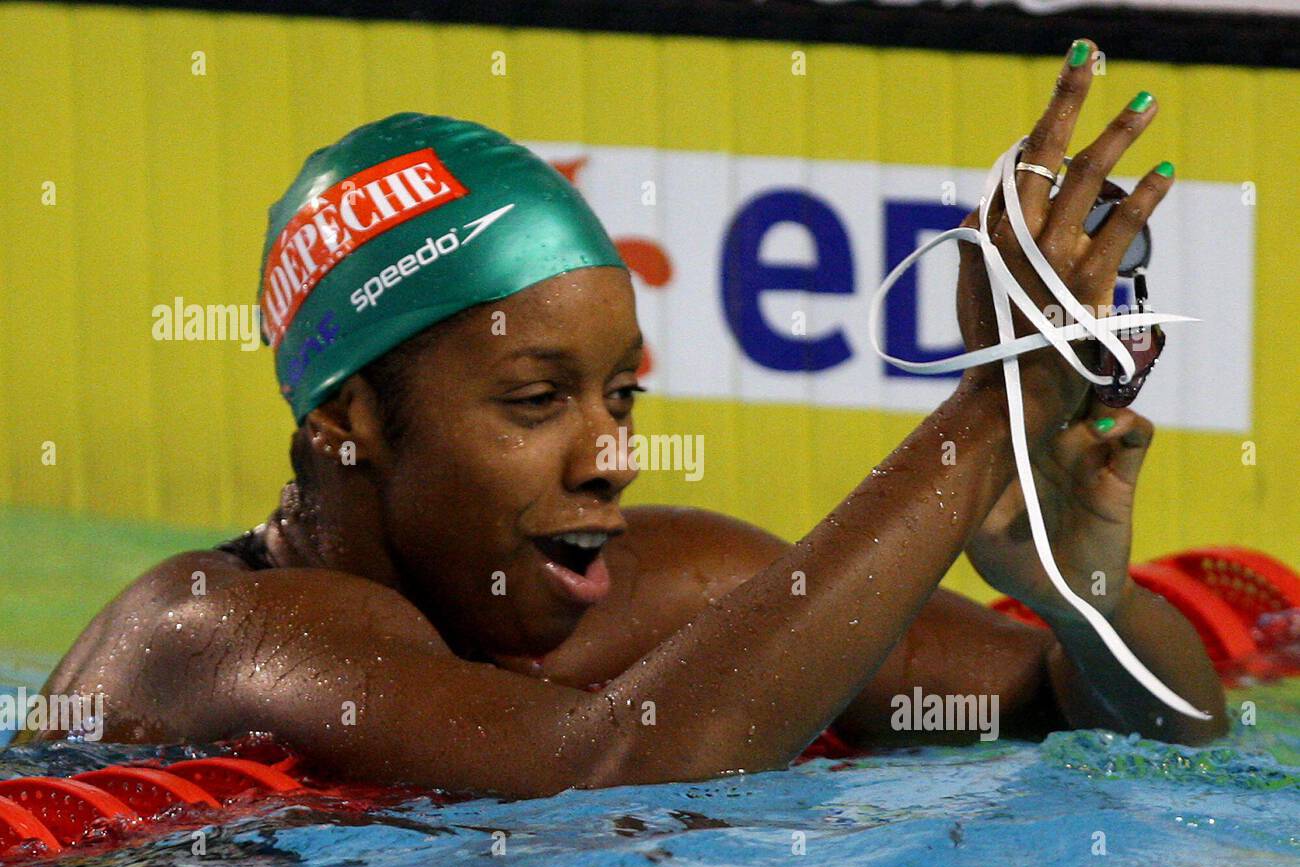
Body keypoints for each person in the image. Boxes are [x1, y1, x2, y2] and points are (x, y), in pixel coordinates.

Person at [32, 39, 1225, 797]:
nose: (612, 457)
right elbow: (608, 772)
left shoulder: (674, 588)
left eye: (621, 396)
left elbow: (1137, 727)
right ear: (350, 418)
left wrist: (1091, 604)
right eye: (537, 400)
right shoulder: (211, 633)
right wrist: (998, 403)